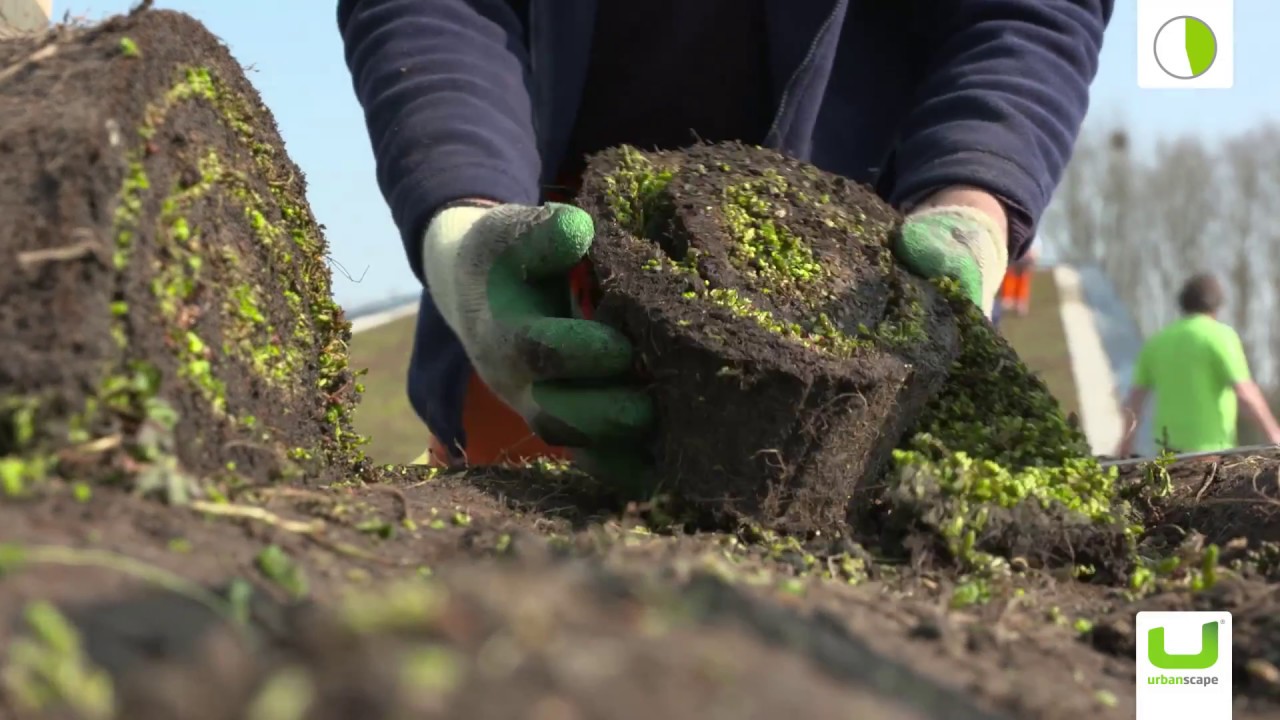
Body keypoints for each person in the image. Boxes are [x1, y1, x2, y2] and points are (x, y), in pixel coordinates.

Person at [336, 0, 1114, 467]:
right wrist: (462, 206)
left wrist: (975, 192)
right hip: (547, 237)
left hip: (853, 267)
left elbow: (1021, 12)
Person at [1116, 273, 1280, 457]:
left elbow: (1135, 399)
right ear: (1216, 305)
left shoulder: (1157, 342)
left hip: (1167, 455)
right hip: (1211, 452)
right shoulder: (1220, 337)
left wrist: (1125, 443)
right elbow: (1245, 392)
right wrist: (1274, 434)